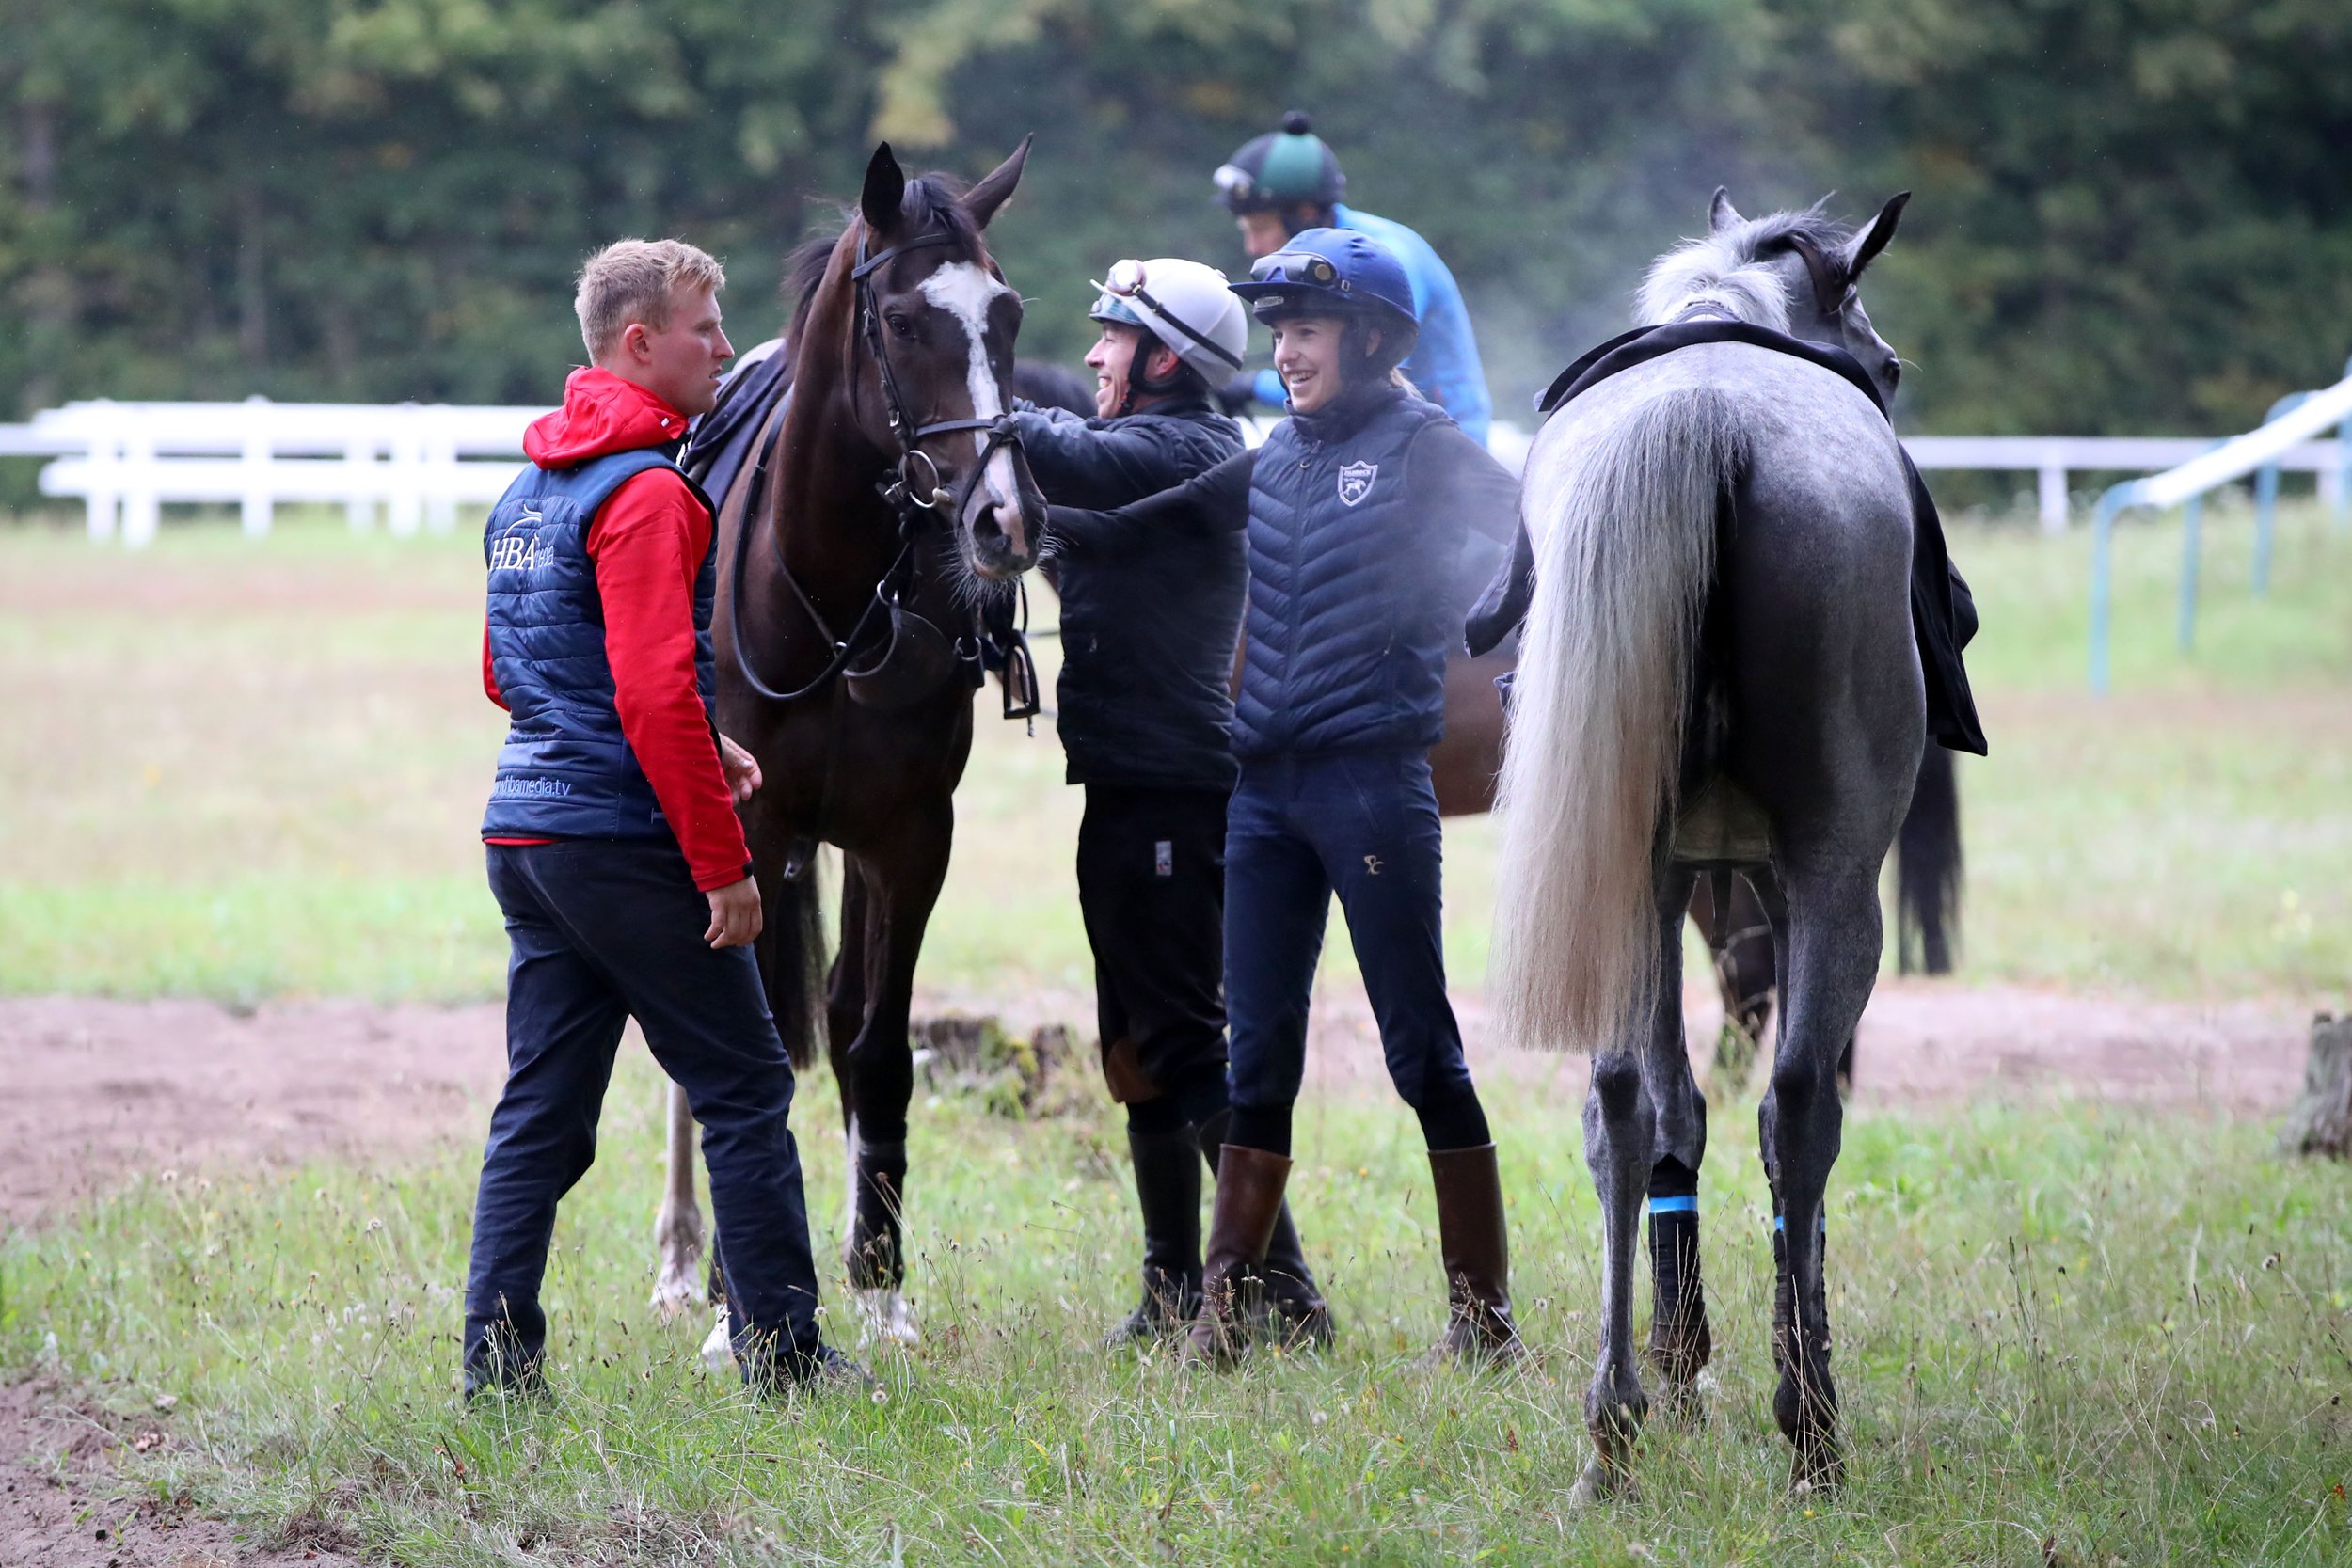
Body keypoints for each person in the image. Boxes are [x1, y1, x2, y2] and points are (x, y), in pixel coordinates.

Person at [467, 239, 858, 1399]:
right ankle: (784, 1359)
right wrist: (726, 866)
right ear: (640, 343)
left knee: (541, 1110)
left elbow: (512, 673)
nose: (728, 349)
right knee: (745, 1086)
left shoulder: (531, 489)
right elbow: (643, 692)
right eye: (706, 327)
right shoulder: (646, 492)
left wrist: (700, 730)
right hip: (621, 844)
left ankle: (496, 1368)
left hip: (527, 838)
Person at [1185, 228, 1523, 1368]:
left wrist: (1475, 623)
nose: (1286, 349)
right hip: (1262, 796)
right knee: (1254, 1055)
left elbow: (1532, 524)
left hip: (1371, 788)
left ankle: (1483, 1320)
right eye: (1278, 331)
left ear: (1371, 338)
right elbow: (1159, 515)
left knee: (1419, 1050)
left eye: (1307, 329)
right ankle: (1223, 1309)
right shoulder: (1275, 453)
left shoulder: (1425, 445)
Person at [1011, 258, 1332, 1348]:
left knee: (1183, 1037)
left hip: (1168, 786)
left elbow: (1043, 446)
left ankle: (1280, 1284)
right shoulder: (1142, 462)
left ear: (1162, 358)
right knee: (1136, 1043)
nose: (1094, 356)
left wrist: (962, 394)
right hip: (1127, 777)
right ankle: (1168, 1285)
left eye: (1111, 337)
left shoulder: (1176, 446)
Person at [1212, 111, 1493, 445]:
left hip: (1446, 453)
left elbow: (1365, 372)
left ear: (1304, 215)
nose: (1252, 247)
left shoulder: (1387, 258)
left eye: (1259, 228)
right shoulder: (1341, 257)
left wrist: (1253, 385)